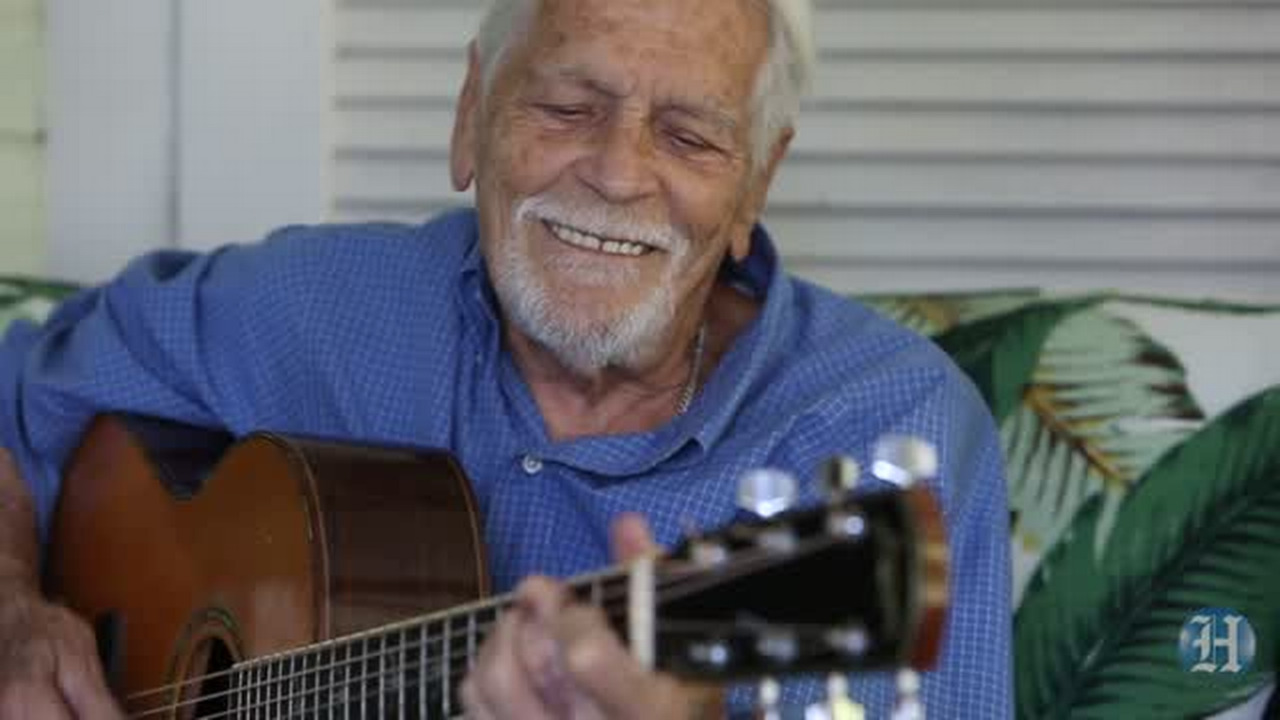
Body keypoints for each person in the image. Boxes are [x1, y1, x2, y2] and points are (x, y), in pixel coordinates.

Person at [0, 0, 1012, 716]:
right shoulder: (316, 309)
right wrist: (16, 615)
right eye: (567, 107)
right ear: (470, 111)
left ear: (755, 182)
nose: (616, 173)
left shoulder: (887, 427)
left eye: (687, 135)